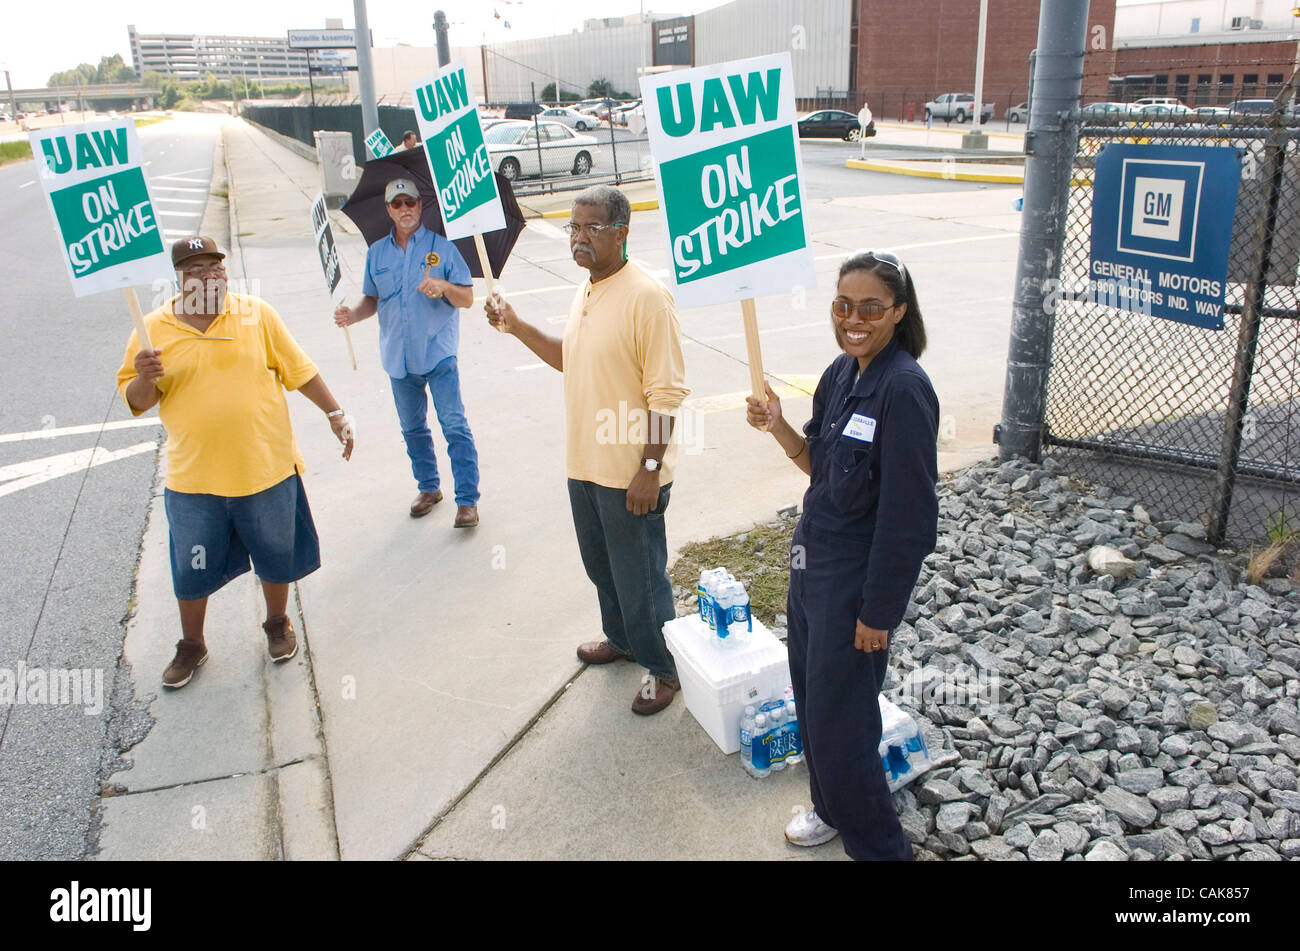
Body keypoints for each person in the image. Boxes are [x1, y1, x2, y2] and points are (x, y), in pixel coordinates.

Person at [746, 249, 938, 860]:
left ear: (899, 312)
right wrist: (777, 424)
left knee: (842, 725)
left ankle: (881, 849)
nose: (853, 319)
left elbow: (909, 520)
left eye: (871, 308)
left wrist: (878, 613)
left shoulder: (903, 390)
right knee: (812, 698)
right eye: (843, 306)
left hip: (855, 579)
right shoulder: (842, 371)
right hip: (813, 564)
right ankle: (831, 808)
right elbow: (819, 469)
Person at [484, 185, 690, 715]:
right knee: (603, 569)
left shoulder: (647, 297)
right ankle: (622, 641)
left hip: (629, 473)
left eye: (591, 228)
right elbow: (568, 358)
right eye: (574, 227)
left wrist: (648, 469)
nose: (578, 237)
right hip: (585, 465)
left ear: (622, 232)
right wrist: (515, 324)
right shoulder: (588, 289)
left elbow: (666, 394)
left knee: (641, 579)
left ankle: (664, 668)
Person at [117, 236, 355, 689]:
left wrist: (335, 413)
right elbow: (137, 401)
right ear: (179, 279)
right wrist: (146, 377)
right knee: (191, 568)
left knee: (276, 553)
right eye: (197, 269)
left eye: (216, 267)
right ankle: (192, 644)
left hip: (265, 466)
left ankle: (277, 623)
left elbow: (299, 369)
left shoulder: (256, 314)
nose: (210, 276)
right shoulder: (149, 331)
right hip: (195, 479)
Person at [334, 178, 480, 526]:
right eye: (396, 204)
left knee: (454, 425)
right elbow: (372, 299)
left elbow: (468, 298)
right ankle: (429, 488)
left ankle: (467, 501)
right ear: (388, 210)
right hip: (397, 357)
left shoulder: (442, 248)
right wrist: (352, 315)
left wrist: (444, 286)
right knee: (412, 428)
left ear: (420, 206)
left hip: (437, 352)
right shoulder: (376, 254)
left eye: (410, 203)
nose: (404, 210)